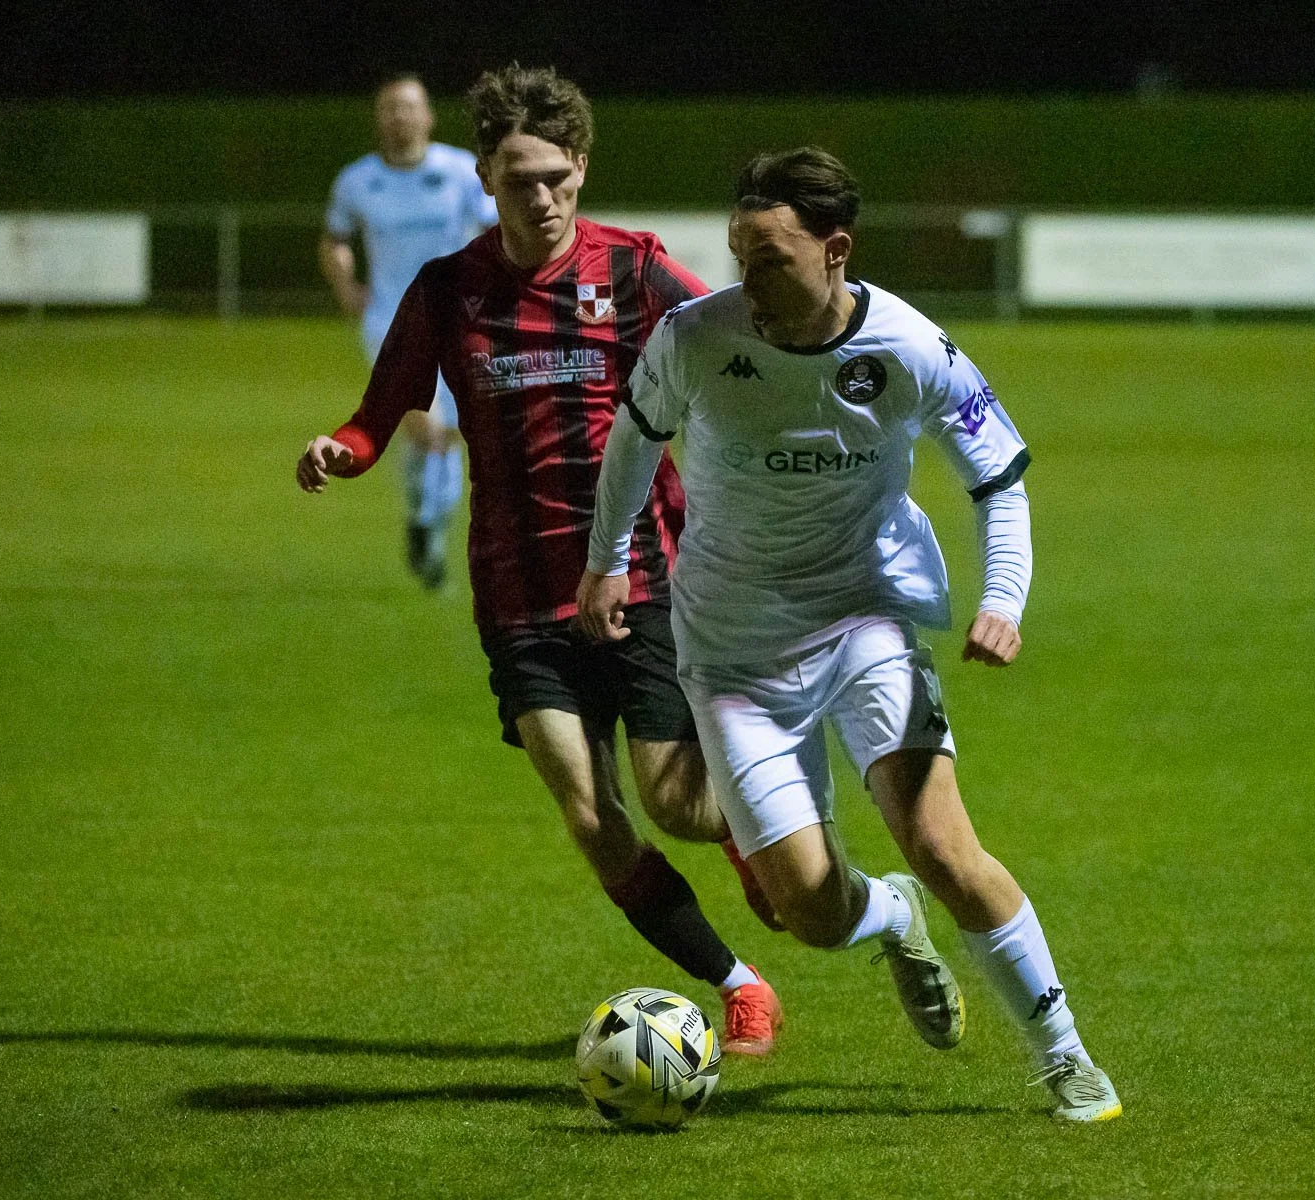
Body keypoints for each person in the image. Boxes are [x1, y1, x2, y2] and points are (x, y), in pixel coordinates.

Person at [577, 147, 1121, 1120]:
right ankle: (889, 914)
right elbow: (633, 439)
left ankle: (1065, 1056)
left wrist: (1004, 600)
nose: (749, 280)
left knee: (943, 846)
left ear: (836, 250)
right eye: (742, 257)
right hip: (732, 657)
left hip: (862, 621)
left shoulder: (910, 347)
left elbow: (999, 479)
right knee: (811, 913)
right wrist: (607, 558)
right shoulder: (695, 338)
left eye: (771, 259)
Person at [298, 65, 782, 1054]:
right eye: (521, 180)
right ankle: (739, 986)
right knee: (591, 815)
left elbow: (735, 342)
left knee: (673, 801)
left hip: (640, 575)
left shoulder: (633, 271)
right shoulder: (450, 290)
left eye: (559, 178)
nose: (543, 198)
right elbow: (377, 414)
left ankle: (742, 833)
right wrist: (340, 452)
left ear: (582, 169)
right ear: (484, 176)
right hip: (518, 596)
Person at [320, 74, 498, 590]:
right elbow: (334, 239)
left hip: (459, 318)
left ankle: (426, 522)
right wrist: (344, 285)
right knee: (425, 425)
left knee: (447, 436)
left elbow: (498, 227)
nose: (400, 115)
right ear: (379, 118)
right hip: (389, 321)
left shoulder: (460, 171)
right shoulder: (357, 180)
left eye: (409, 106)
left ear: (428, 116)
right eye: (390, 107)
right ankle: (425, 525)